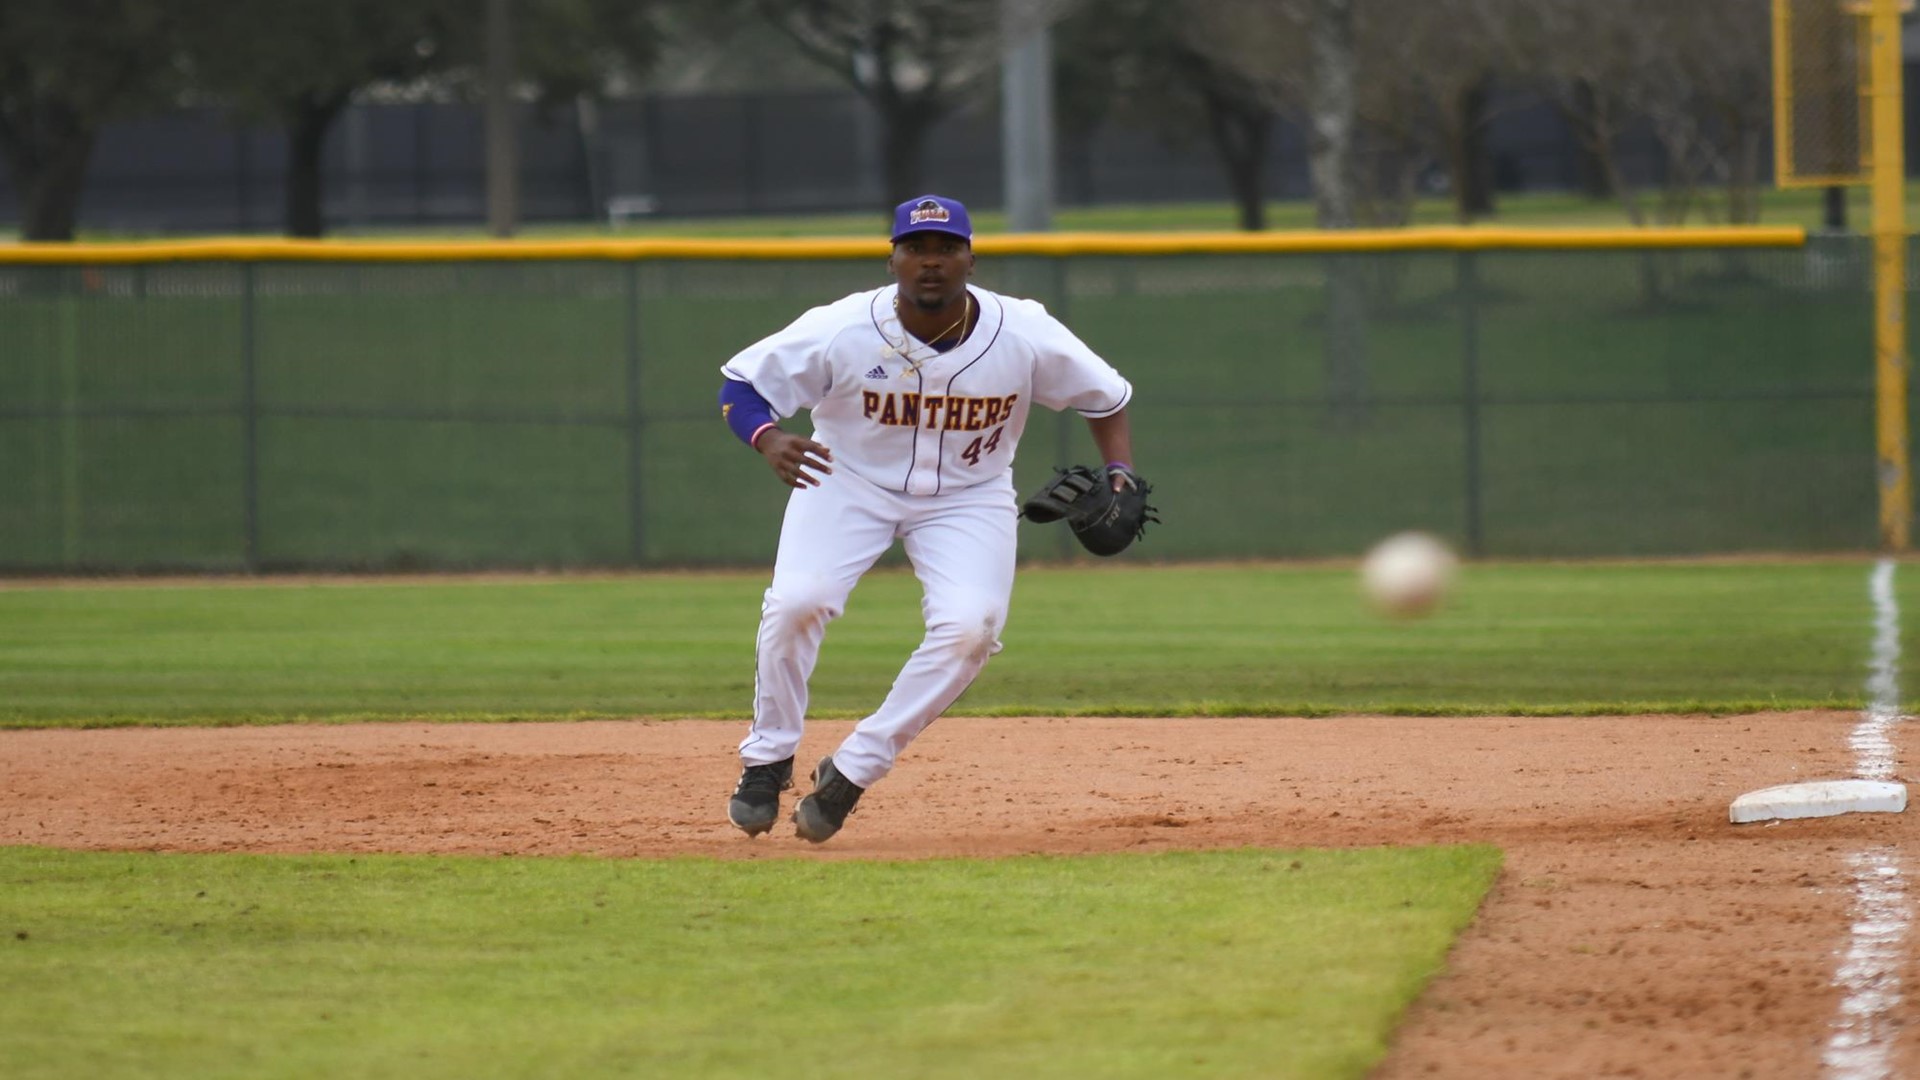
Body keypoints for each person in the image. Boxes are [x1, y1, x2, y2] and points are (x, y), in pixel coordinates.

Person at [716, 194, 1140, 843]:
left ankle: (853, 771)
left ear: (971, 259)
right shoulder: (842, 326)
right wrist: (767, 437)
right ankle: (767, 758)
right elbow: (742, 386)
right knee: (799, 601)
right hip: (845, 480)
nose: (932, 261)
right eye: (916, 248)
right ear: (893, 261)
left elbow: (1106, 397)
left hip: (969, 495)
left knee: (972, 628)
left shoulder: (1023, 330)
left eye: (947, 249)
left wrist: (1121, 473)